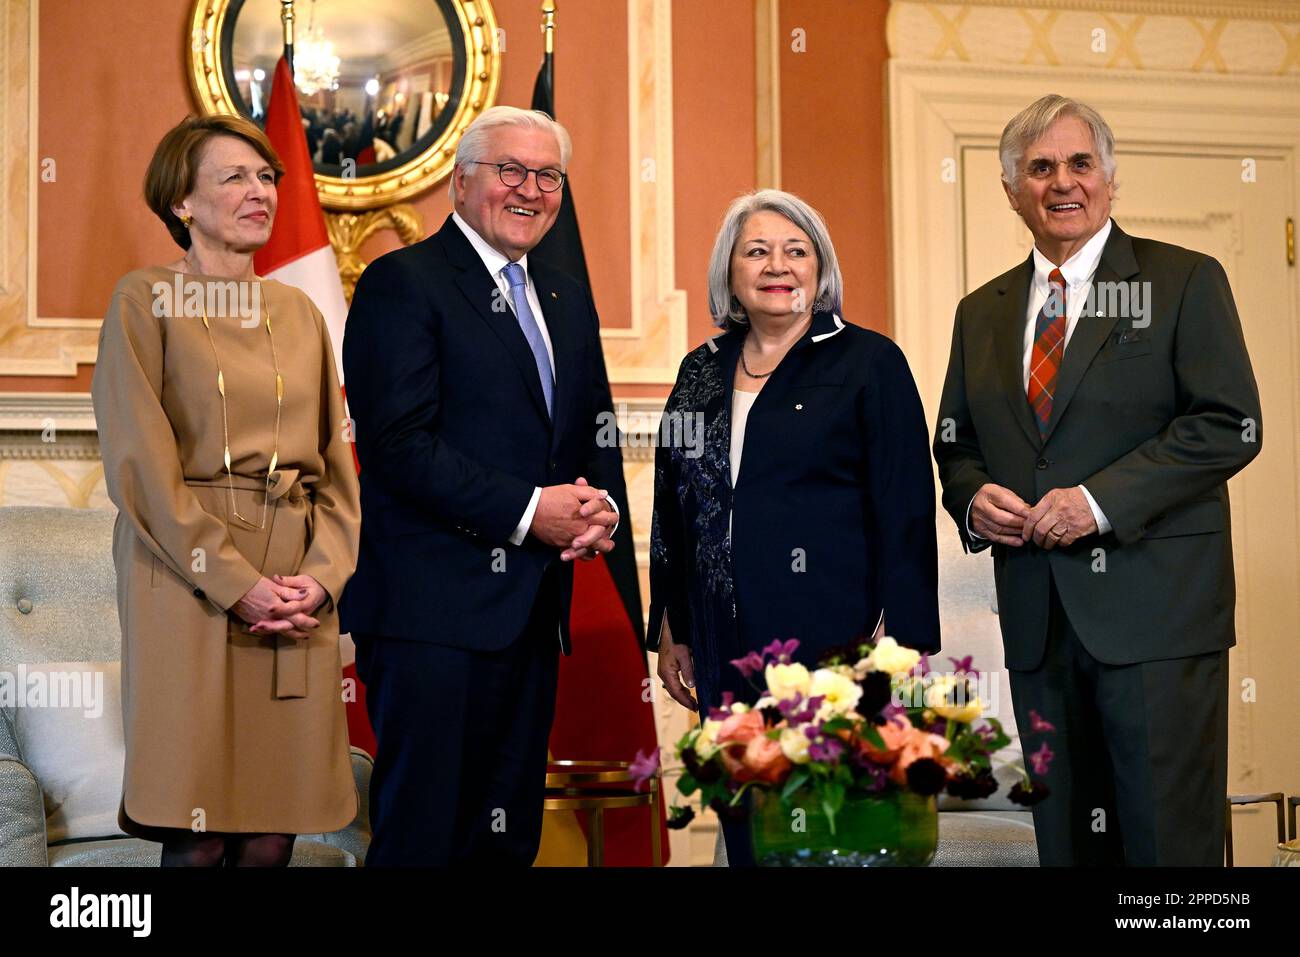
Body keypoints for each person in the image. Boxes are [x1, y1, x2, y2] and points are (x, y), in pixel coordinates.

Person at [933, 94, 1262, 866]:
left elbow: (1227, 424)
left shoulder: (1183, 280)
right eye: (1040, 167)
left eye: (1080, 163)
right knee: (1069, 847)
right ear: (1012, 188)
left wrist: (1096, 502)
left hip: (1158, 620)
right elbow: (956, 443)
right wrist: (973, 498)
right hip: (1039, 622)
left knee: (1164, 852)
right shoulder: (981, 312)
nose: (1062, 182)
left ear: (1111, 180)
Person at [341, 106, 622, 866]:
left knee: (506, 842)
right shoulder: (402, 283)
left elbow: (590, 431)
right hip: (432, 615)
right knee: (423, 838)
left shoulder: (562, 295)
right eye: (511, 170)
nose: (530, 189)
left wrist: (601, 510)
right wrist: (535, 512)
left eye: (548, 175)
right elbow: (397, 446)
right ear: (462, 181)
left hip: (530, 615)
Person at [91, 114, 361, 866]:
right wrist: (236, 583)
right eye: (235, 177)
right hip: (184, 576)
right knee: (200, 830)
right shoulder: (142, 300)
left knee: (276, 827)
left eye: (267, 177)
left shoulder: (301, 313)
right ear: (182, 200)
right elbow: (140, 466)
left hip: (293, 583)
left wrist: (320, 578)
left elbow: (337, 469)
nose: (260, 192)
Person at [649, 189, 940, 865]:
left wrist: (903, 651)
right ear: (732, 272)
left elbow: (906, 510)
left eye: (795, 251)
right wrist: (673, 628)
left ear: (820, 269)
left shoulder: (870, 363)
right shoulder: (700, 370)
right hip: (724, 647)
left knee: (825, 834)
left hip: (834, 652)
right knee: (747, 822)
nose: (777, 265)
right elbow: (673, 508)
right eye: (757, 251)